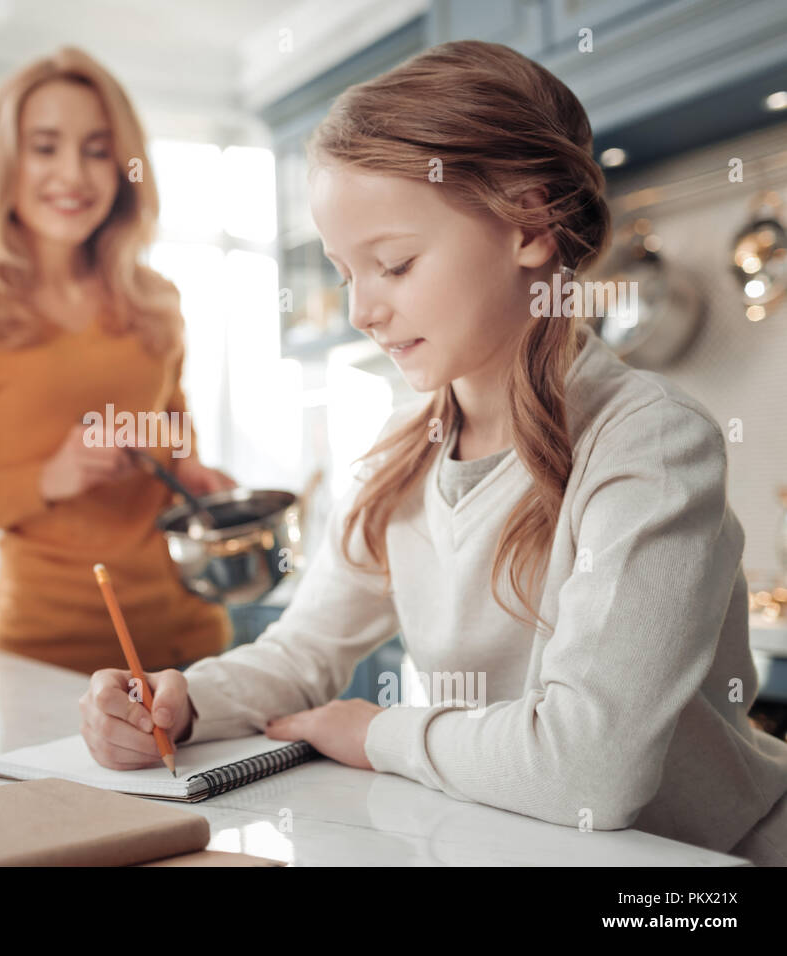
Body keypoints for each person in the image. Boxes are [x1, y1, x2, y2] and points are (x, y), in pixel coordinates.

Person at [77, 40, 787, 865]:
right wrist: (179, 702)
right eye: (347, 273)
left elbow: (589, 770)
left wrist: (378, 732)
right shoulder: (405, 445)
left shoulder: (649, 441)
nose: (363, 311)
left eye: (394, 264)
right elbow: (304, 652)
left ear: (529, 224)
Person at [0, 46, 235, 675]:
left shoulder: (155, 301)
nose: (73, 174)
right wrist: (46, 480)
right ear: (5, 164)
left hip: (191, 642)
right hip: (48, 658)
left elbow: (173, 436)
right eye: (45, 147)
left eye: (97, 150)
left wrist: (194, 475)